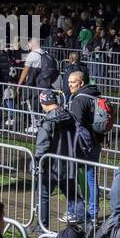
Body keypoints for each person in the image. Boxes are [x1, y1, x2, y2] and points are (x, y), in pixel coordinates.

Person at [34, 91, 80, 230]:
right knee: (73, 195)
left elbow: (42, 147)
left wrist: (36, 163)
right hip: (69, 164)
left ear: (43, 104)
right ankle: (85, 221)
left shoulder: (48, 122)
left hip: (51, 167)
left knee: (43, 195)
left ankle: (42, 226)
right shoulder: (70, 116)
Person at [65, 68, 106, 223]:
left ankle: (76, 211)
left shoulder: (79, 99)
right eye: (68, 82)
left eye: (73, 82)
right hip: (95, 143)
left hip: (81, 145)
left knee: (72, 177)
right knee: (92, 178)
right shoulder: (95, 94)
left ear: (81, 83)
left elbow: (75, 123)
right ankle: (94, 213)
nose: (70, 85)